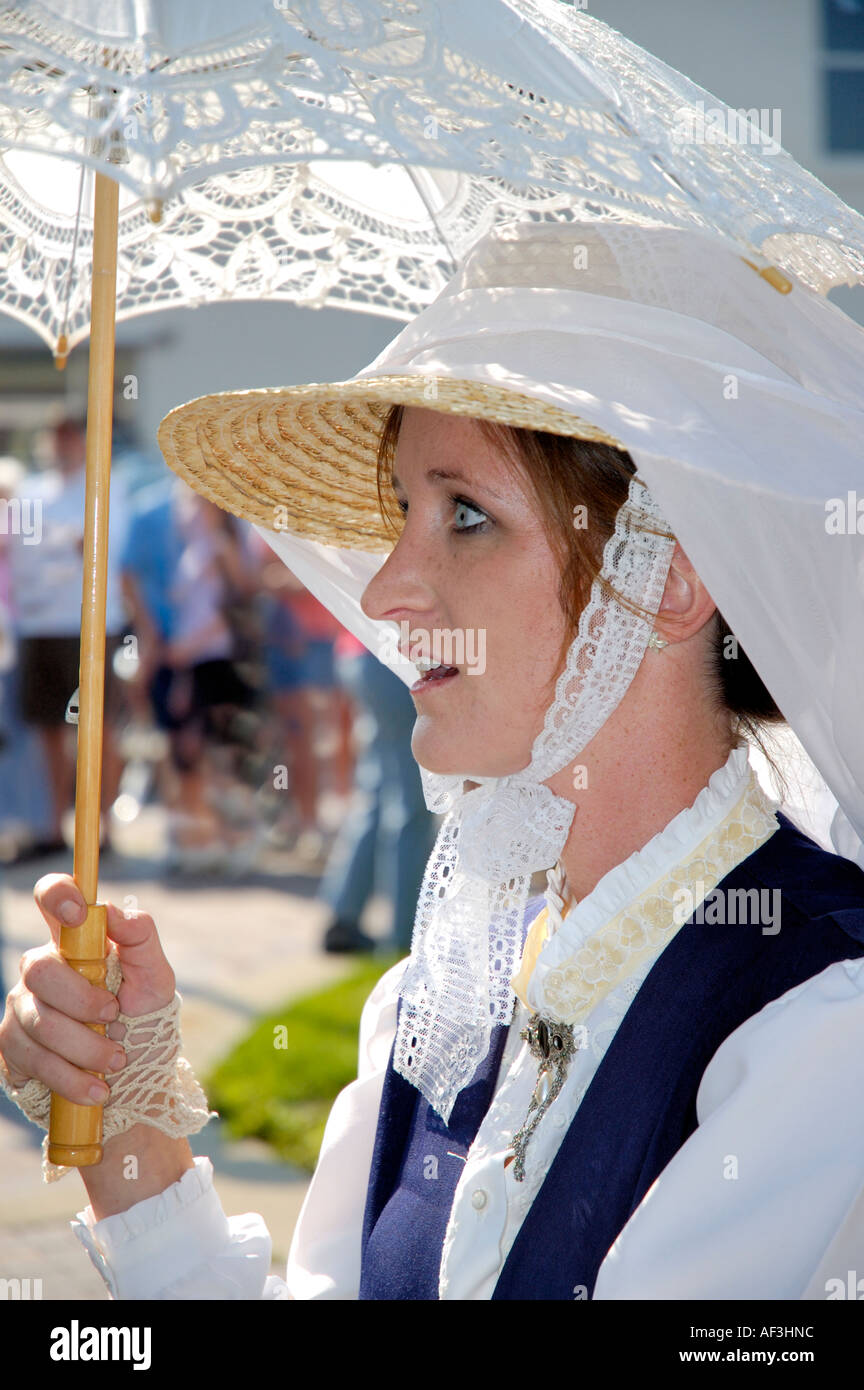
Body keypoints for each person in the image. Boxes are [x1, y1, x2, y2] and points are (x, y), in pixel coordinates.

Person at [1, 220, 863, 1300]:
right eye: (407, 509)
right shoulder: (444, 989)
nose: (388, 589)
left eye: (466, 515)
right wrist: (130, 1138)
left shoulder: (822, 1018)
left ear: (667, 578)